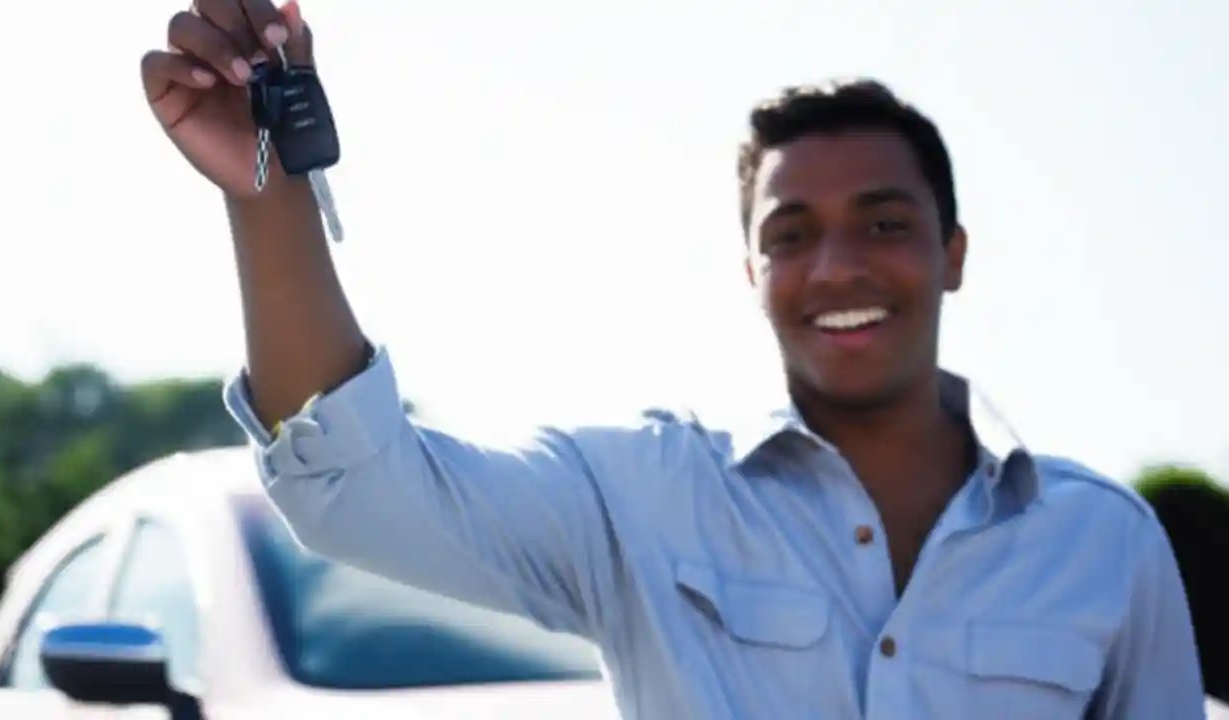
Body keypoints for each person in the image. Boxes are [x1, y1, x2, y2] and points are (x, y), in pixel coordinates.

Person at [140, 2, 1207, 718]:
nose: (836, 266)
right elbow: (357, 491)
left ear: (952, 254)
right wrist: (269, 194)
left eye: (884, 224)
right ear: (751, 271)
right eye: (790, 234)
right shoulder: (641, 498)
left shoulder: (1103, 543)